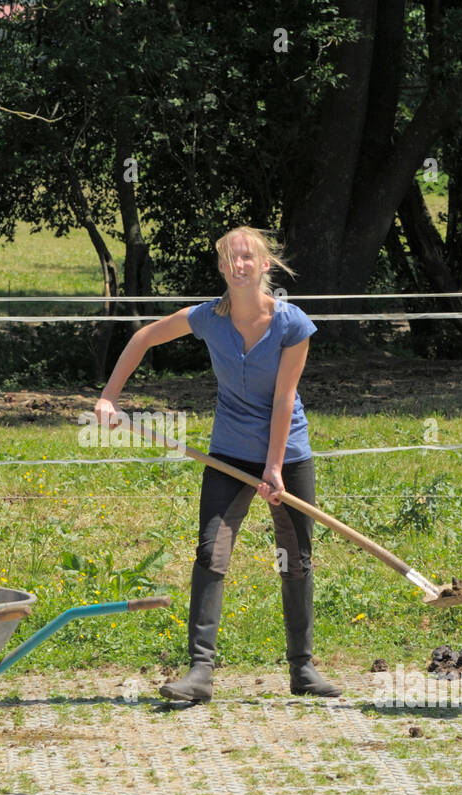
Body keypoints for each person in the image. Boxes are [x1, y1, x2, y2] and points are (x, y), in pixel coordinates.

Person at [94, 226, 341, 702]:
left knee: (295, 558)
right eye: (230, 258)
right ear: (222, 267)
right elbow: (144, 337)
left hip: (287, 452)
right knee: (212, 552)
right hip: (228, 452)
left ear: (264, 265)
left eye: (247, 257)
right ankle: (200, 672)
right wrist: (109, 396)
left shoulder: (292, 324)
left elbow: (284, 399)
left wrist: (274, 467)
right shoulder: (208, 318)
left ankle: (303, 669)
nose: (238, 265)